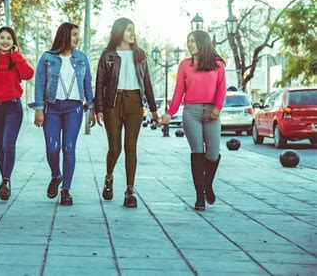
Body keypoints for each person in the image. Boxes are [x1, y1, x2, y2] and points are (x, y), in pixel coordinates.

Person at [94, 17, 158, 208]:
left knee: (131, 146)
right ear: (119, 31)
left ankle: (130, 191)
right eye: (128, 29)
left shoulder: (141, 55)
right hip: (113, 103)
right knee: (115, 148)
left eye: (133, 30)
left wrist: (154, 109)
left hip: (135, 104)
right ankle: (109, 177)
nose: (132, 33)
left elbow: (147, 83)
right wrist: (98, 108)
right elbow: (100, 83)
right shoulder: (108, 55)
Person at [29, 22, 95, 206]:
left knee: (68, 147)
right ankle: (56, 175)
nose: (77, 38)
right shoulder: (47, 58)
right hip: (52, 108)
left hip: (74, 108)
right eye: (74, 34)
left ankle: (66, 189)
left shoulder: (81, 58)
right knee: (52, 148)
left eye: (77, 35)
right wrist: (39, 110)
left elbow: (88, 82)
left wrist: (91, 107)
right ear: (65, 35)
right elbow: (40, 83)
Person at [159, 30, 226, 211]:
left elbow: (222, 89)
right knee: (197, 152)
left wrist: (217, 109)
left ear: (203, 43)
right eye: (188, 41)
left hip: (212, 112)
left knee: (212, 154)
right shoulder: (184, 65)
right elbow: (179, 91)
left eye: (193, 41)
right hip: (191, 113)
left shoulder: (218, 65)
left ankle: (207, 185)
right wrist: (170, 113)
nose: (190, 44)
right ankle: (199, 197)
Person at [0, 26, 34, 201]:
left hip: (13, 107)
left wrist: (16, 56)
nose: (5, 41)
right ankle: (5, 182)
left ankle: (5, 180)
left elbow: (28, 74)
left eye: (9, 38)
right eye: (2, 37)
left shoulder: (16, 58)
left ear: (13, 42)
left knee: (8, 144)